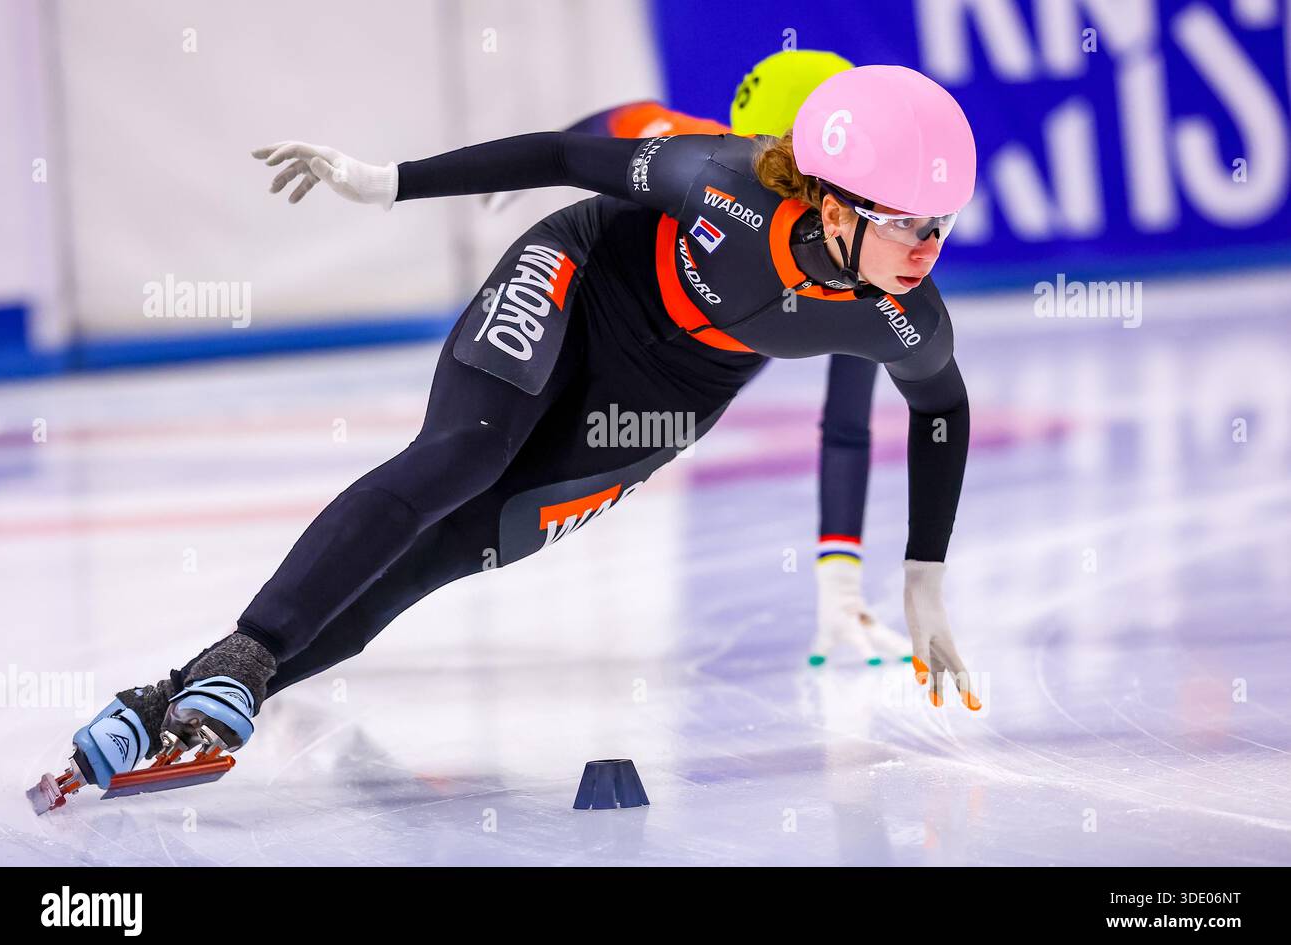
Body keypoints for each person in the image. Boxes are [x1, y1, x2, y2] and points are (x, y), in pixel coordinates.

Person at [58, 64, 982, 800]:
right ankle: (249, 648)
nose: (928, 251)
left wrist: (923, 577)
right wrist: (390, 184)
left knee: (448, 553)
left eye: (941, 227)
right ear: (831, 205)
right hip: (578, 278)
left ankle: (199, 694)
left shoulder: (903, 315)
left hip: (667, 389)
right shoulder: (720, 182)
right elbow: (566, 154)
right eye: (909, 226)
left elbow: (941, 408)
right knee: (466, 455)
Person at [548, 49, 907, 668]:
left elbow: (847, 420)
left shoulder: (863, 255)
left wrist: (840, 579)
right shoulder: (693, 154)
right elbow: (619, 122)